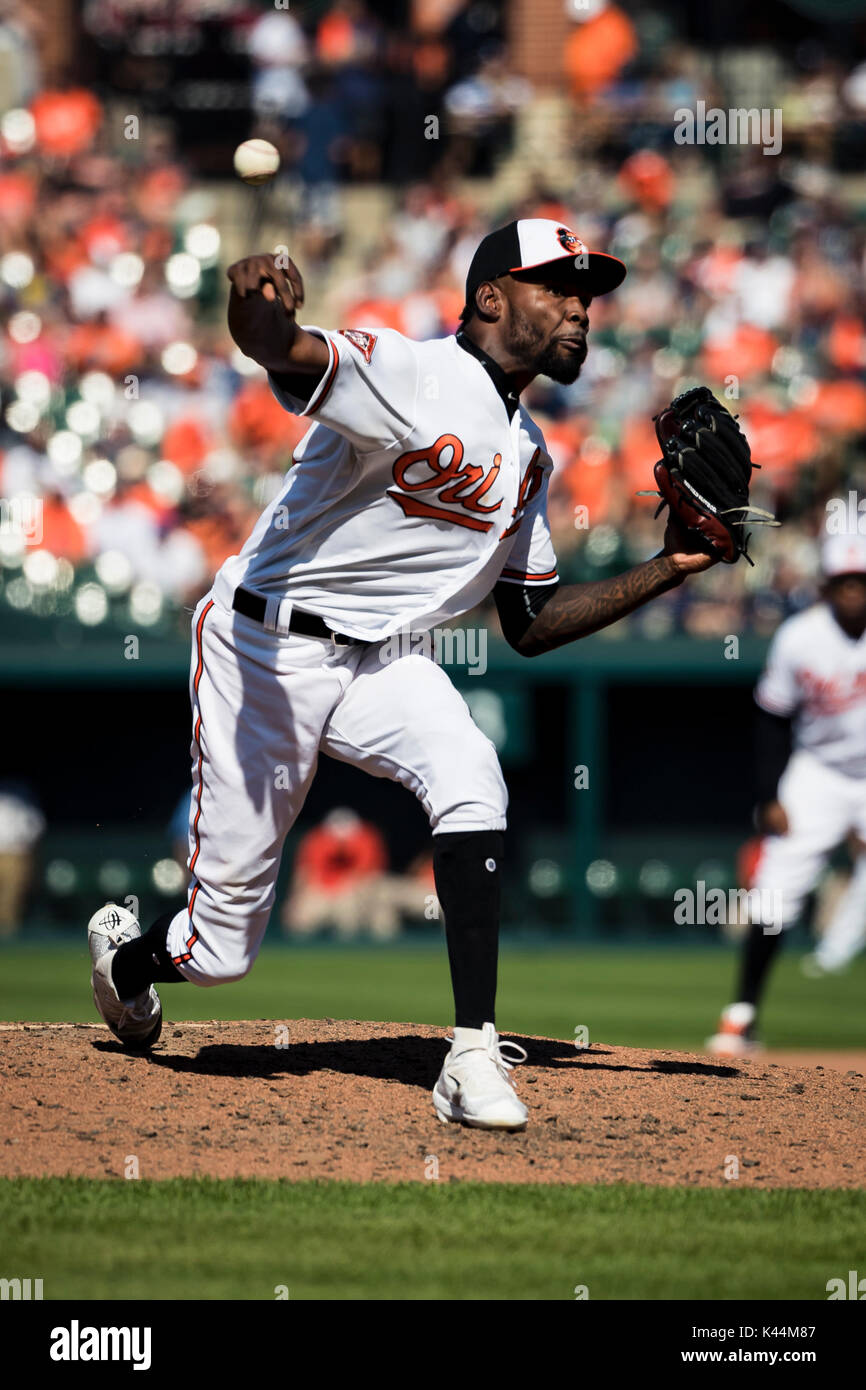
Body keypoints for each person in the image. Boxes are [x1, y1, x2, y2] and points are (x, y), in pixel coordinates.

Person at [88, 218, 715, 1130]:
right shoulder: (410, 371)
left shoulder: (531, 452)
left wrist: (669, 568)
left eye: (590, 292)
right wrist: (253, 306)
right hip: (265, 649)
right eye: (560, 286)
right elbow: (286, 354)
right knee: (221, 953)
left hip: (383, 656)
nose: (582, 306)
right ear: (491, 297)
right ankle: (128, 960)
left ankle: (470, 1055)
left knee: (470, 774)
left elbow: (531, 624)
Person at [708, 532, 866, 1056]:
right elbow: (772, 720)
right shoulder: (800, 636)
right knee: (774, 892)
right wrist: (769, 795)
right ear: (825, 585)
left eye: (862, 582)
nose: (854, 593)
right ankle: (742, 1014)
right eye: (845, 583)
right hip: (817, 772)